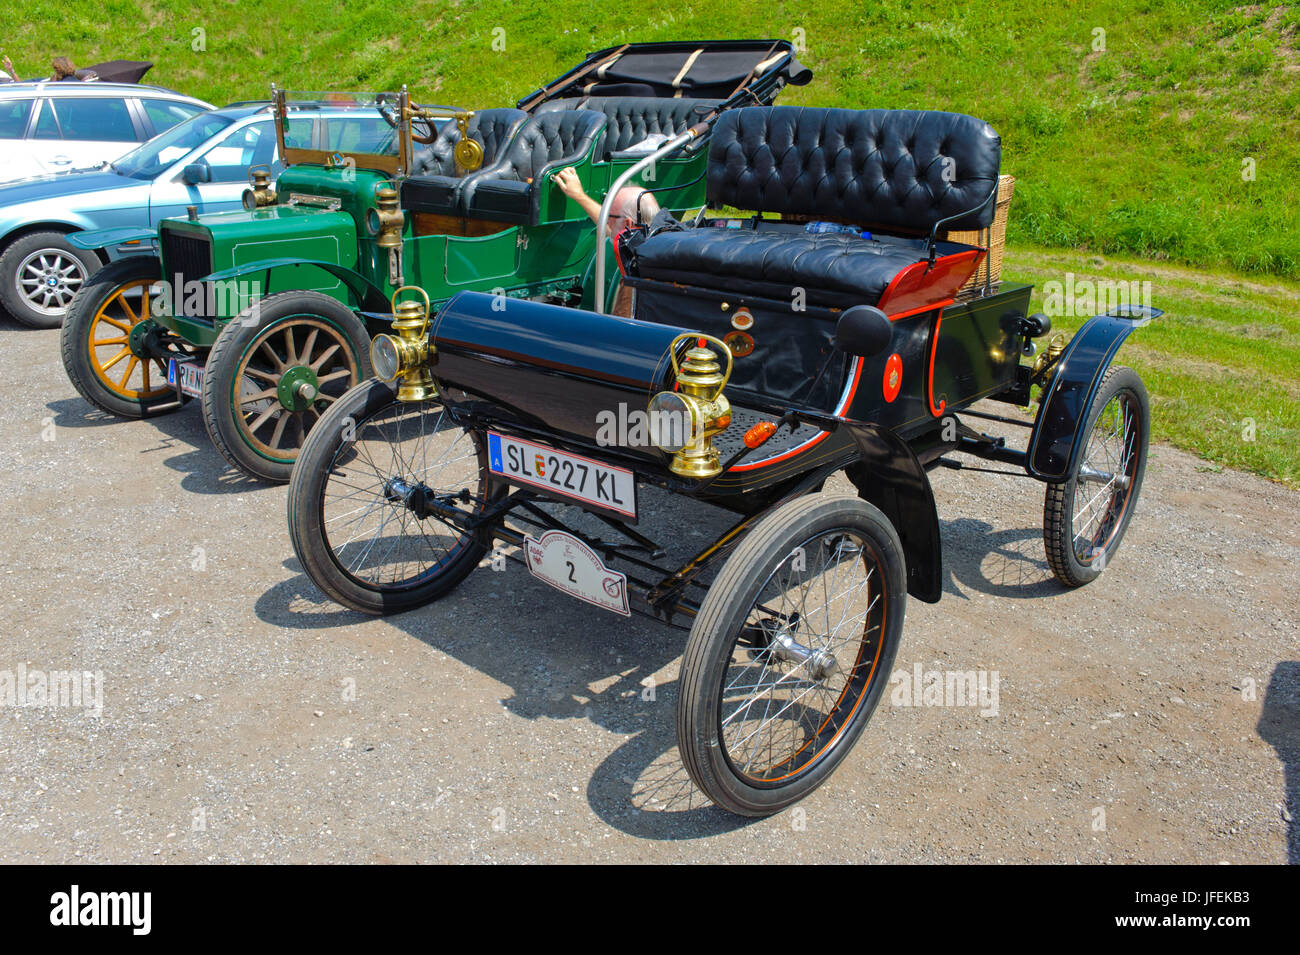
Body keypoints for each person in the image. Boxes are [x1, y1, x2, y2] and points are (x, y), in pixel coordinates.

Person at [552, 166, 661, 316]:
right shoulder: (659, 236)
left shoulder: (639, 272)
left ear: (628, 224)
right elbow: (613, 228)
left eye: (609, 217)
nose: (605, 222)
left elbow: (621, 327)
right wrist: (579, 196)